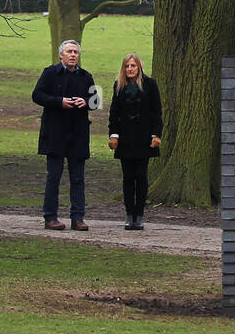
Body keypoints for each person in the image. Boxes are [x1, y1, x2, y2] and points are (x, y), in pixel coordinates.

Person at [32, 39, 97, 231]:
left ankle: (78, 217)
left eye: (75, 52)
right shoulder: (50, 73)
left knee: (78, 178)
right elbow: (37, 95)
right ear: (61, 55)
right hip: (55, 133)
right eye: (69, 51)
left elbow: (96, 101)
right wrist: (59, 101)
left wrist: (84, 101)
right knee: (54, 176)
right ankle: (50, 217)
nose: (72, 55)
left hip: (78, 134)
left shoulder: (86, 77)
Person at [108, 54, 162, 230]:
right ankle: (129, 214)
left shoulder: (150, 85)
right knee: (127, 177)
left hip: (144, 138)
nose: (130, 69)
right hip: (125, 139)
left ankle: (139, 214)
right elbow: (114, 113)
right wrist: (113, 135)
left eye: (133, 66)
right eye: (127, 66)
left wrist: (156, 134)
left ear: (139, 67)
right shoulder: (119, 86)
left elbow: (156, 113)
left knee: (141, 176)